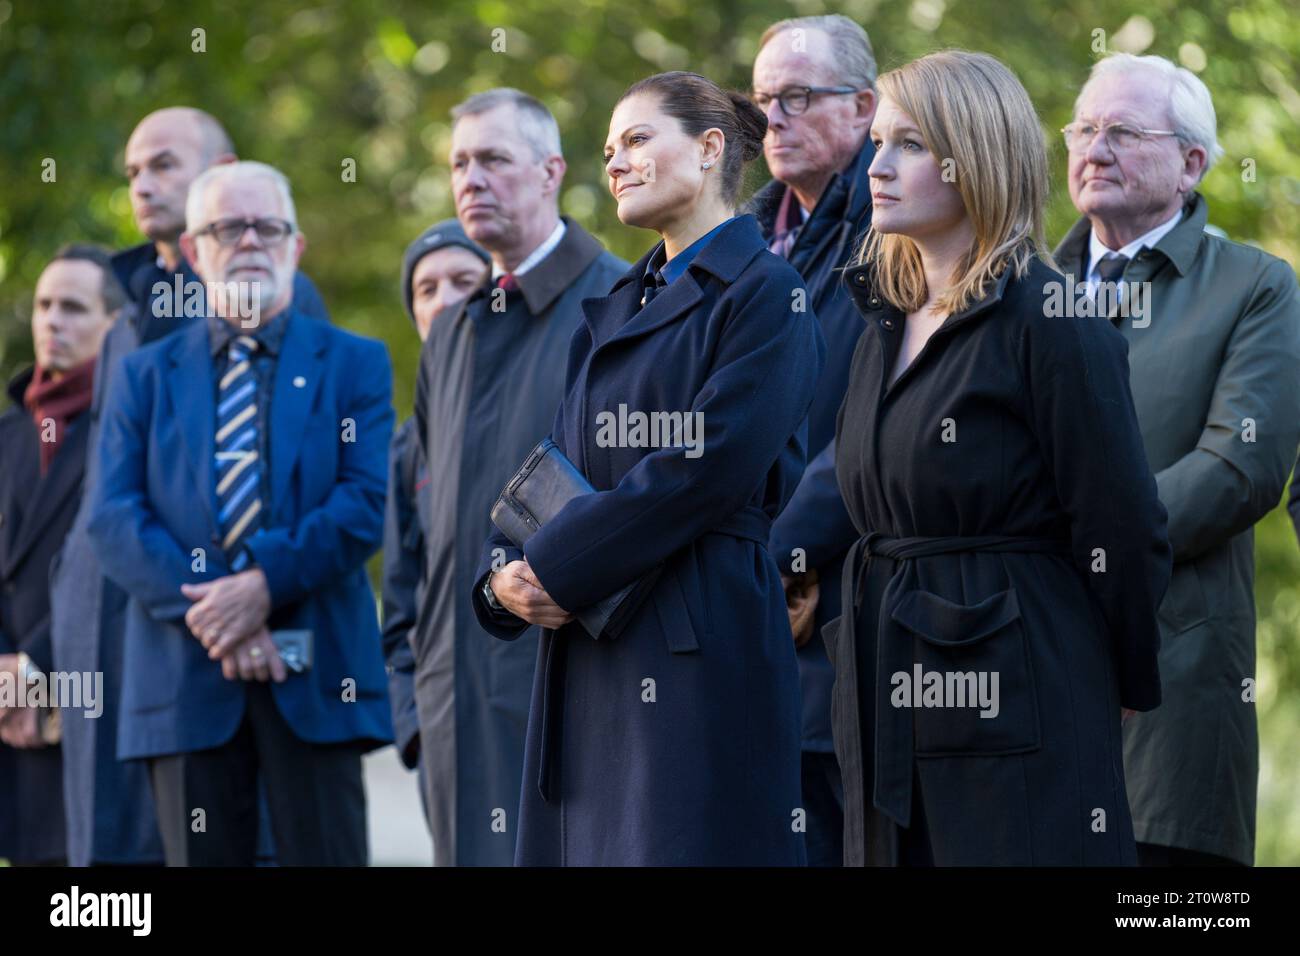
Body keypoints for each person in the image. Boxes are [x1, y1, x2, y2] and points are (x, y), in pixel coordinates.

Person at [472, 71, 825, 866]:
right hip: (588, 640)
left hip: (696, 640)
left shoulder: (768, 293)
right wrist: (504, 581)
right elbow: (549, 477)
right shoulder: (616, 304)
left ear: (709, 150)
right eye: (607, 150)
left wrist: (555, 567)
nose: (616, 162)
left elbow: (701, 470)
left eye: (636, 139)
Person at [827, 50, 1171, 865]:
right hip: (886, 695)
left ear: (972, 154)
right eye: (876, 141)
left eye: (907, 144)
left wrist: (1115, 679)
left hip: (1020, 700)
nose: (877, 165)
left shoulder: (1051, 322)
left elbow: (1123, 523)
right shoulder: (881, 324)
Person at [88, 161, 394, 866]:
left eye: (269, 226)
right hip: (185, 683)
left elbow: (364, 501)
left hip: (317, 677)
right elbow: (112, 515)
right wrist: (219, 615)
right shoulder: (142, 375)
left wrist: (260, 585)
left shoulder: (356, 364)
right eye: (230, 227)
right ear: (194, 252)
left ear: (295, 246)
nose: (251, 240)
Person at [50, 106, 326, 867]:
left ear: (225, 167)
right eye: (134, 169)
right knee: (112, 865)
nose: (144, 182)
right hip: (111, 631)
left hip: (222, 648)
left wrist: (224, 610)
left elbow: (288, 490)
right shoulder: (131, 304)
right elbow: (109, 499)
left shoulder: (277, 297)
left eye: (165, 163)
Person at [1054, 53, 1300, 867]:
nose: (1094, 148)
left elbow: (1240, 469)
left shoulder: (1256, 286)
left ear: (1192, 164)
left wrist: (1074, 552)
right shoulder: (1018, 289)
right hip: (1018, 685)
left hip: (1172, 692)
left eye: (1122, 131)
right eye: (1083, 129)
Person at [411, 89, 626, 866]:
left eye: (494, 159)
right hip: (449, 707)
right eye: (460, 163)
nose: (472, 178)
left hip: (569, 693)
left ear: (550, 172)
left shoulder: (622, 301)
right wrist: (415, 691)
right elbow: (423, 529)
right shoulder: (452, 333)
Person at [747, 13, 878, 866]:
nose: (774, 121)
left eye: (797, 97)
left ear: (864, 106)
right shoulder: (748, 237)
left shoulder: (894, 225)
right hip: (742, 600)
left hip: (843, 607)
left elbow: (869, 418)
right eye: (762, 102)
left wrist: (779, 554)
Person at [0, 245, 121, 865]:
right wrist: (5, 670)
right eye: (45, 305)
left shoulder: (125, 427)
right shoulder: (8, 432)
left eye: (73, 308)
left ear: (112, 324)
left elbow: (110, 562)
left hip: (89, 692)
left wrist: (37, 667)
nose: (52, 320)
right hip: (5, 705)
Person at [382, 220, 488, 809]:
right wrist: (416, 727)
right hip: (445, 734)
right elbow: (399, 606)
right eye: (426, 288)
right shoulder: (407, 446)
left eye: (463, 280)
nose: (445, 298)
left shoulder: (552, 396)